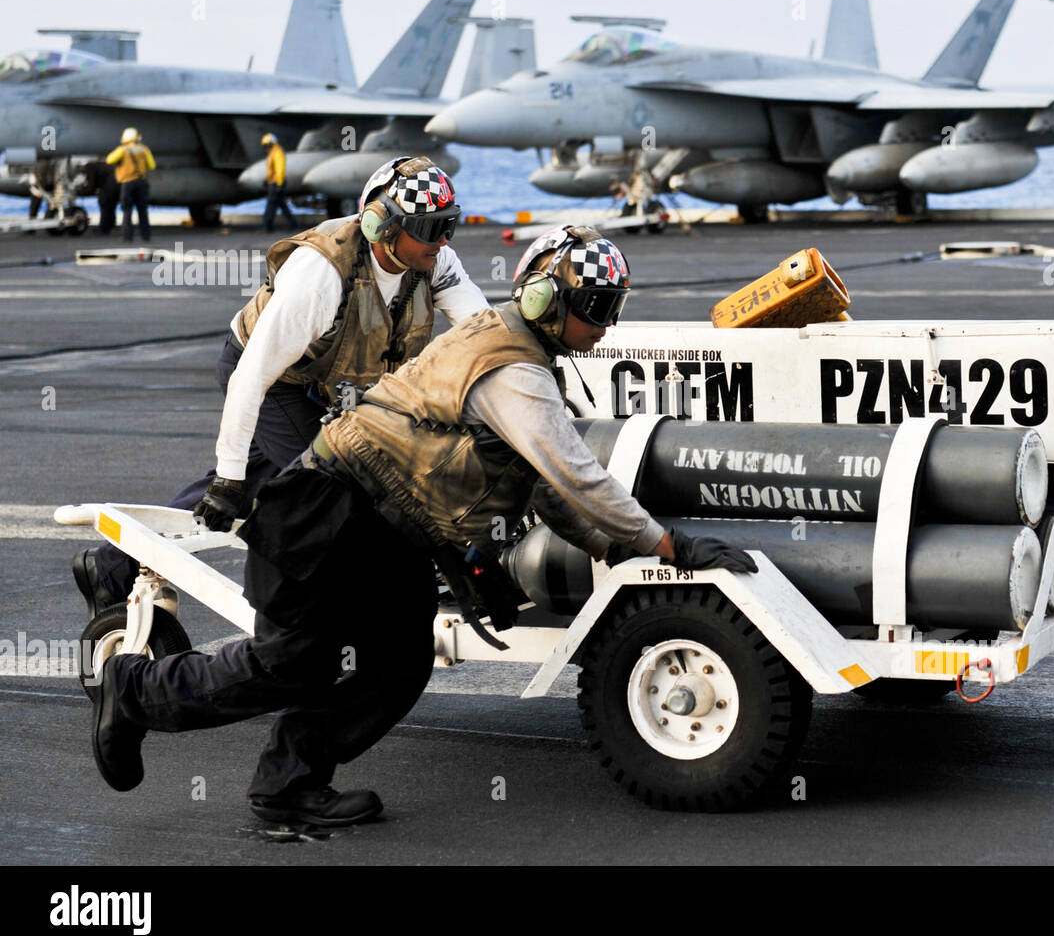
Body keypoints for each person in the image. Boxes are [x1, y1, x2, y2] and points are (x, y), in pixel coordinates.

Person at [88, 225, 755, 826]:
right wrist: (667, 545)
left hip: (390, 529)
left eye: (614, 310)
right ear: (547, 301)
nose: (606, 327)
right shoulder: (511, 366)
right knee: (294, 662)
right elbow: (575, 474)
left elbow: (546, 492)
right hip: (331, 508)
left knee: (397, 664)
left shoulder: (524, 358)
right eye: (597, 310)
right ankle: (135, 690)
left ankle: (290, 784)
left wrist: (609, 548)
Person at [72, 155, 489, 614]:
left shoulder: (436, 262)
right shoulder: (322, 274)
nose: (443, 239)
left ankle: (110, 566)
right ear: (381, 225)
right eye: (430, 229)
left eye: (450, 224)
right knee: (332, 482)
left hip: (326, 383)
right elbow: (253, 375)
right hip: (270, 378)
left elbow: (483, 333)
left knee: (260, 481)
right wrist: (228, 478)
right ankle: (298, 606)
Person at [106, 127, 154, 243]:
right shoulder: (144, 149)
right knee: (142, 210)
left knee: (127, 211)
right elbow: (152, 165)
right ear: (137, 137)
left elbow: (109, 160)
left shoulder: (122, 150)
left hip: (127, 183)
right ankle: (146, 236)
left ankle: (127, 237)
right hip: (142, 183)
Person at [260, 133, 295, 232]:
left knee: (271, 205)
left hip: (276, 183)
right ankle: (293, 224)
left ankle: (268, 226)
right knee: (281, 204)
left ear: (271, 144)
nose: (266, 147)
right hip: (273, 182)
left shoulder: (277, 153)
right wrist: (267, 180)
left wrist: (279, 184)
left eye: (267, 145)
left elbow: (280, 170)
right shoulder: (272, 153)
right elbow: (271, 170)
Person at [78, 160, 119, 234]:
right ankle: (111, 224)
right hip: (118, 184)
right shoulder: (100, 165)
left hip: (108, 185)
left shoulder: (89, 168)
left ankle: (104, 229)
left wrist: (80, 192)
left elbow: (91, 186)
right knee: (111, 206)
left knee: (104, 205)